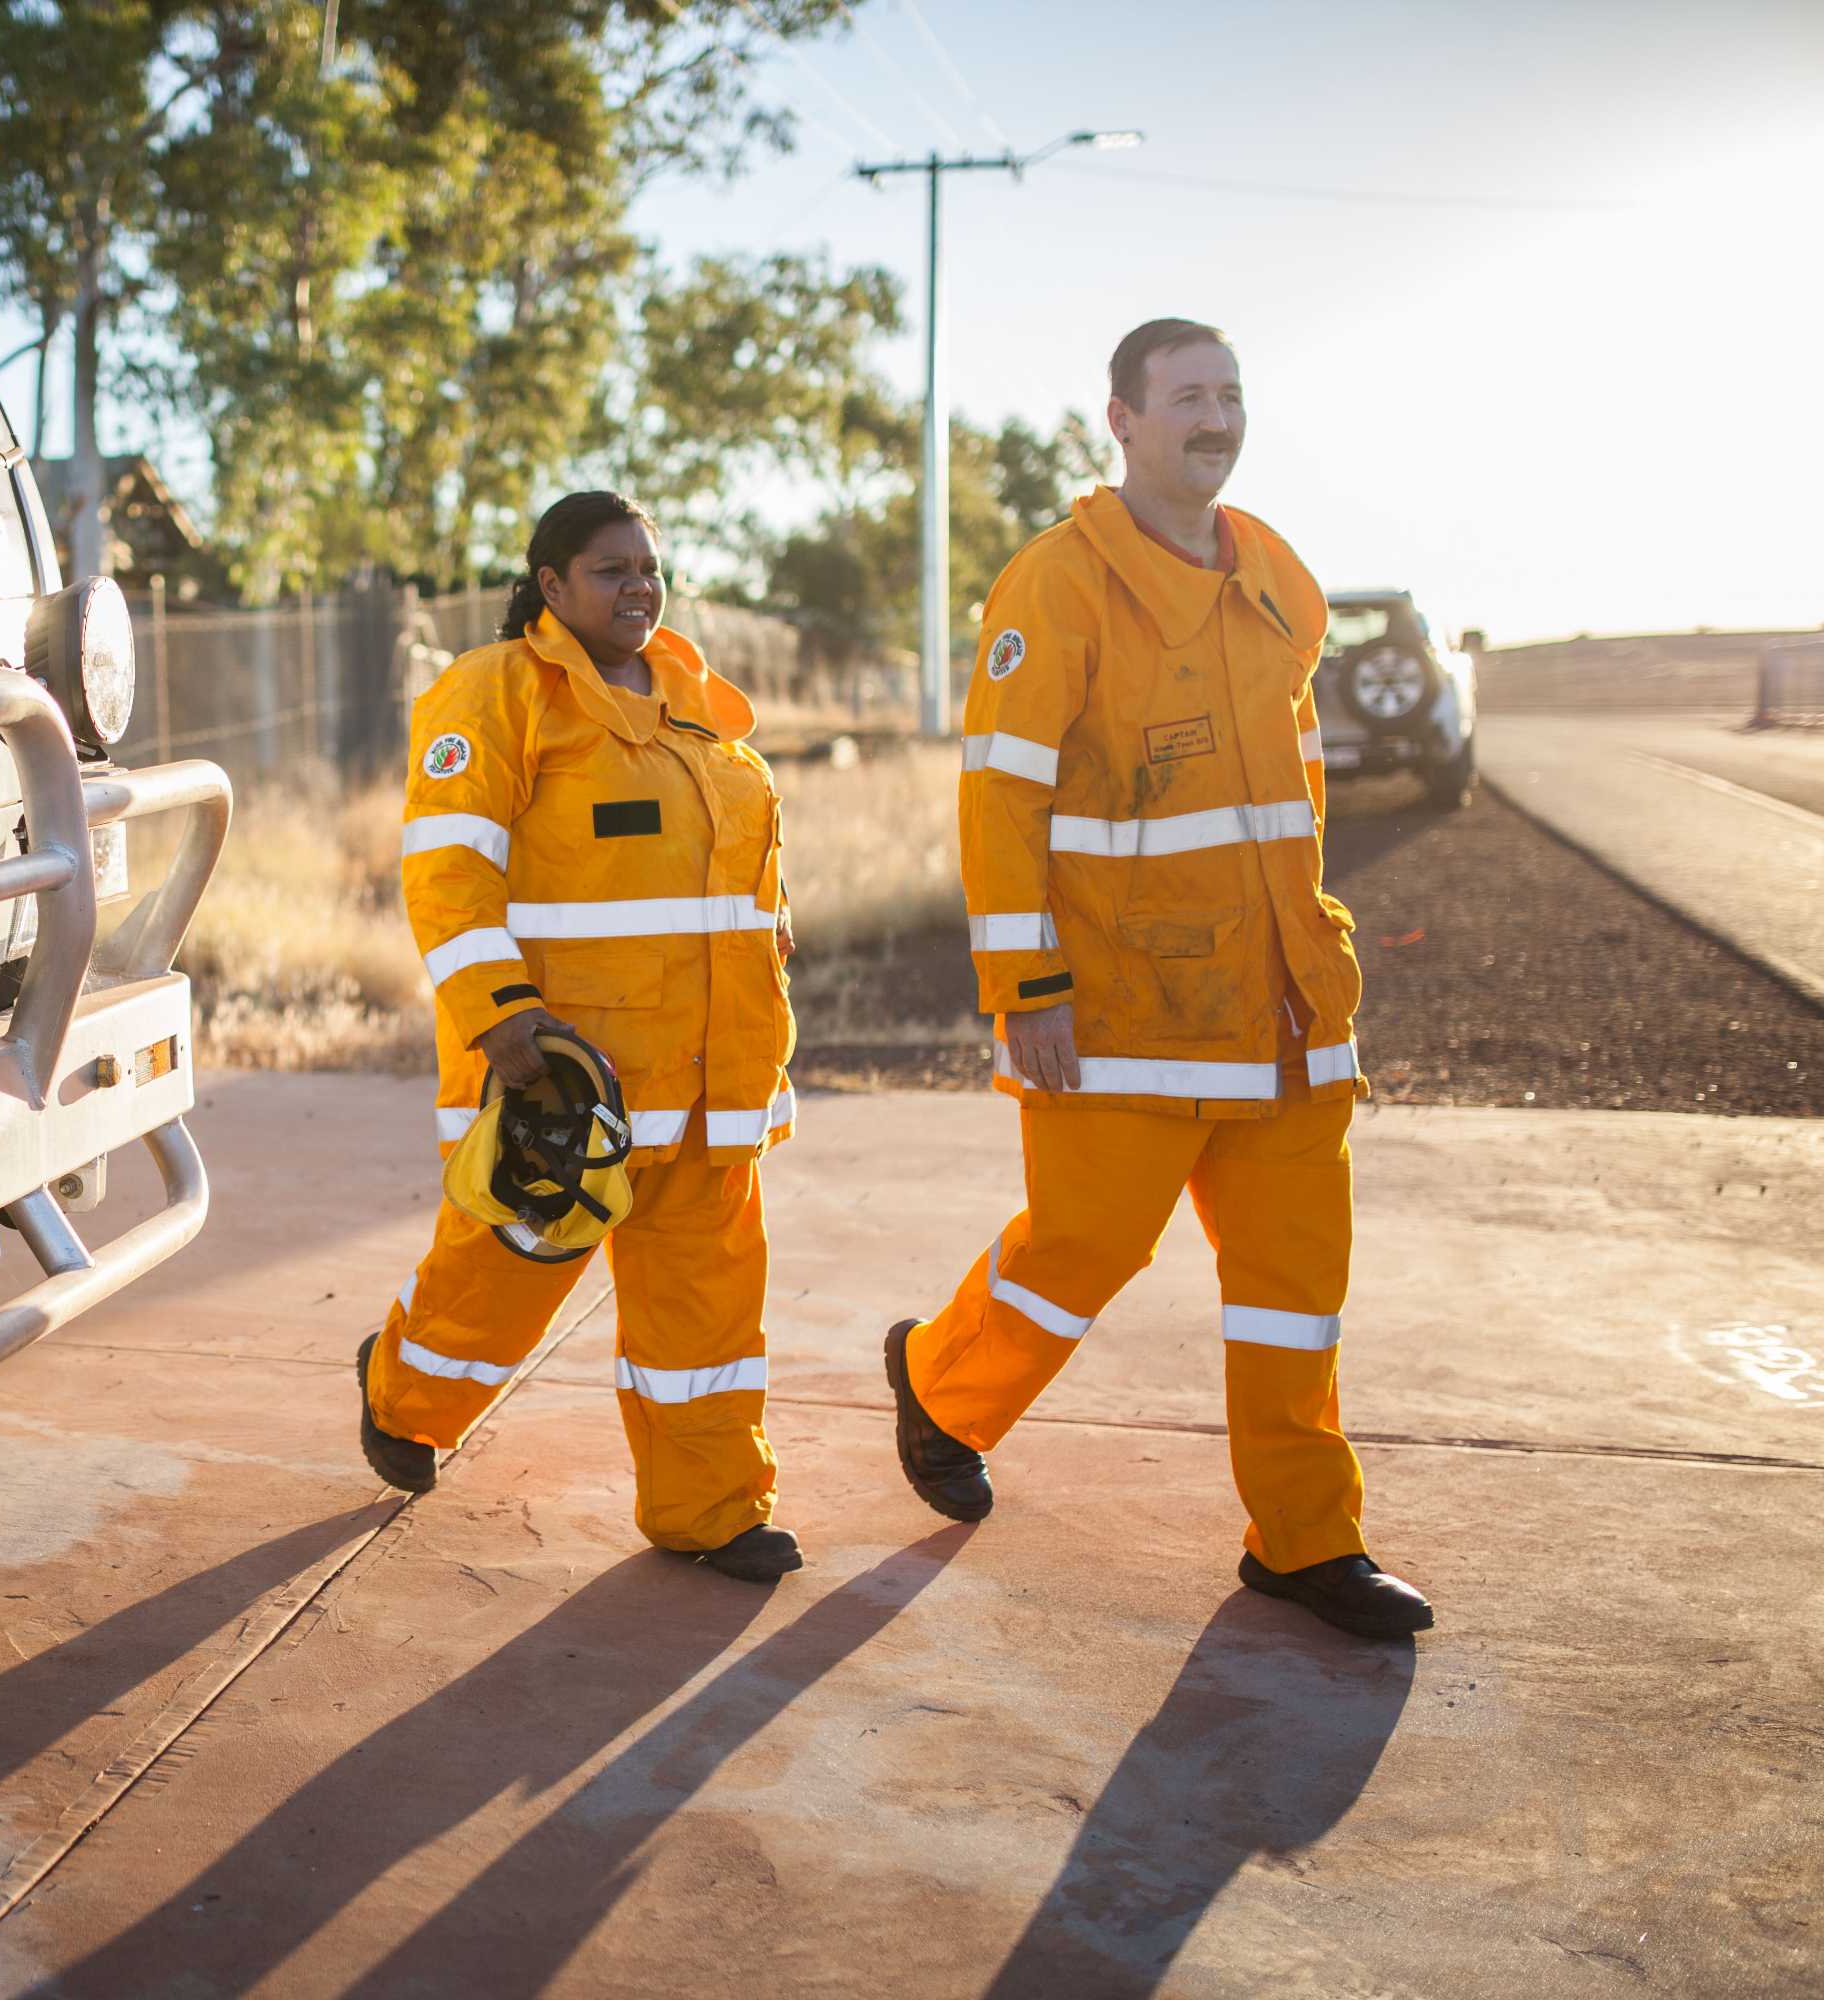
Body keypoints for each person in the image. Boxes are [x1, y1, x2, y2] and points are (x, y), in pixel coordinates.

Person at [882, 319, 1435, 1641]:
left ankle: (1307, 1543)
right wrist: (1029, 981)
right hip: (1123, 1008)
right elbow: (1002, 801)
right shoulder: (1057, 588)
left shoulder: (1278, 582)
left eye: (1231, 396)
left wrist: (1317, 958)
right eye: (1187, 396)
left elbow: (1279, 804)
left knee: (1296, 1292)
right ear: (1120, 420)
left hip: (1285, 1010)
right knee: (1081, 1253)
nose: (1215, 417)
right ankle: (944, 1390)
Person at [356, 491, 804, 1585]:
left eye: (649, 567)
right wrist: (503, 1018)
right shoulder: (497, 691)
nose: (637, 588)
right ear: (551, 586)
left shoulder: (703, 704)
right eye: (610, 570)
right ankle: (403, 1397)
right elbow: (449, 872)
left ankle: (712, 1510)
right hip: (569, 1089)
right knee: (495, 1289)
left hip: (714, 1087)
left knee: (705, 1315)